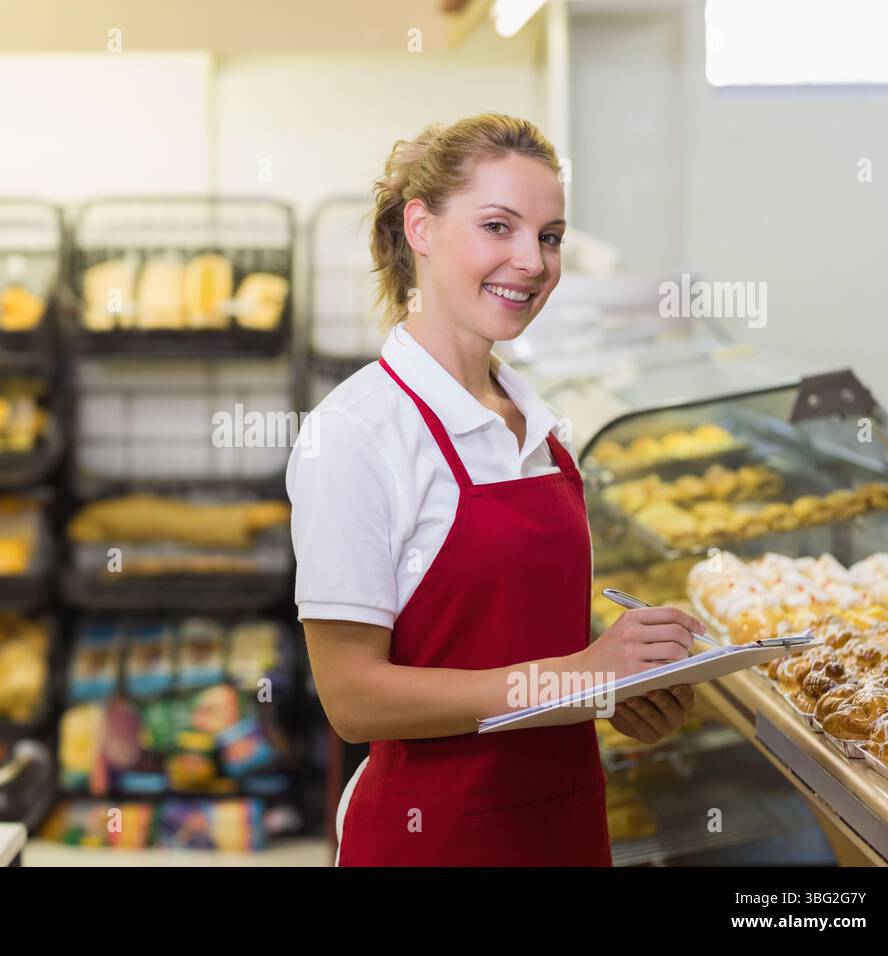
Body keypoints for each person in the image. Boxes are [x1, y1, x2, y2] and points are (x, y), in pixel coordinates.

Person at [287, 112, 703, 866]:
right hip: (435, 837)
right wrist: (581, 674)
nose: (532, 261)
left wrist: (614, 694)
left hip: (566, 830)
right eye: (498, 227)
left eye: (548, 237)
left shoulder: (540, 425)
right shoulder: (355, 431)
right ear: (420, 227)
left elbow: (523, 649)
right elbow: (353, 698)